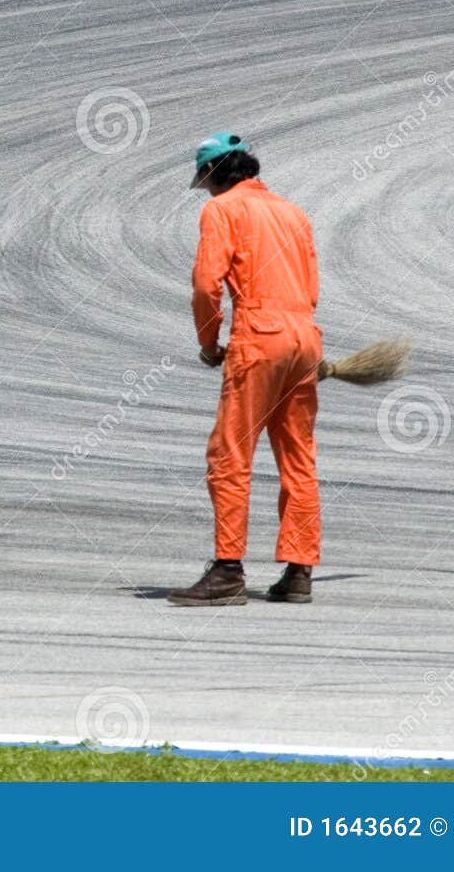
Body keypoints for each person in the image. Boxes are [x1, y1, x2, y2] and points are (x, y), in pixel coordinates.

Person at [169, 133, 324, 607]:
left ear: (216, 174)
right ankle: (299, 572)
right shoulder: (294, 212)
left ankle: (228, 570)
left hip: (258, 338)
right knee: (298, 458)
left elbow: (205, 283)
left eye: (207, 183)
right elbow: (312, 286)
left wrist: (208, 341)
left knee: (229, 455)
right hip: (304, 337)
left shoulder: (222, 210)